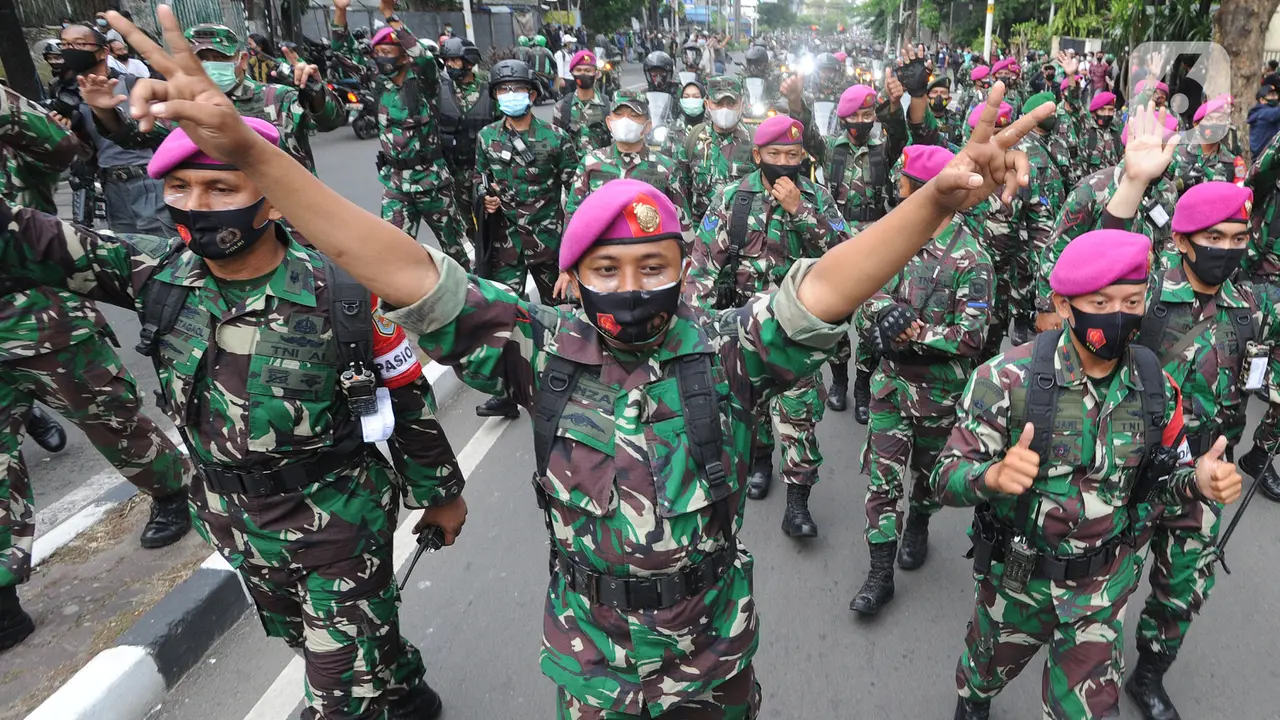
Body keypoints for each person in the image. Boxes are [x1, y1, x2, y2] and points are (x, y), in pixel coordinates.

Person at [102, 9, 1055, 712]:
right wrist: (256, 162)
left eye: (654, 264)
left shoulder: (726, 355)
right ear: (571, 279)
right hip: (589, 659)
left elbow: (829, 285)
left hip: (712, 656)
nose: (632, 282)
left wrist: (937, 204)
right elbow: (398, 265)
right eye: (607, 266)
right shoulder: (533, 351)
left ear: (686, 272)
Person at [1, 101, 469, 716]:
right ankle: (401, 686)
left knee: (339, 692)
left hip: (338, 519)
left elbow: (405, 400)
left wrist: (440, 492)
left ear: (274, 197)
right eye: (180, 187)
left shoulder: (344, 292)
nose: (196, 204)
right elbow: (32, 239)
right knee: (308, 640)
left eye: (222, 186)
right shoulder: (158, 276)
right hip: (233, 520)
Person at [932, 223, 1243, 720]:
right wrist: (990, 477)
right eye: (1100, 305)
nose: (1119, 317)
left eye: (1132, 301)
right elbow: (943, 477)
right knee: (982, 675)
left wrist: (1198, 480)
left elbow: (1163, 476)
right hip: (1018, 579)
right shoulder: (1005, 380)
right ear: (1062, 305)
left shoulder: (1157, 389)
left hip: (1101, 588)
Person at [0, 82, 192, 653]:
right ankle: (4, 595)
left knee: (115, 424)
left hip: (43, 320)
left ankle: (170, 490)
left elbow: (63, 148)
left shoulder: (14, 147)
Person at [1117, 179, 1279, 720]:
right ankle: (1080, 668)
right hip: (1133, 465)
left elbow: (1268, 370)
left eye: (1239, 238)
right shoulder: (1143, 294)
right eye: (1216, 237)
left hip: (1206, 471)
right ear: (1183, 241)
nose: (1230, 249)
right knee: (1101, 578)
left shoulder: (1251, 305)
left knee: (1184, 588)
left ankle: (1148, 675)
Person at [684, 115, 850, 535]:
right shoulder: (733, 199)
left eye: (791, 155)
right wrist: (695, 326)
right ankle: (760, 462)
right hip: (745, 330)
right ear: (757, 155)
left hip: (797, 329)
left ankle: (797, 503)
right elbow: (702, 264)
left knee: (799, 418)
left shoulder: (817, 197)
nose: (783, 162)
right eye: (774, 154)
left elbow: (847, 256)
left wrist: (801, 211)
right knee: (751, 410)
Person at [851, 144, 993, 614]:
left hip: (940, 395)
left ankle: (919, 526)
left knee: (930, 478)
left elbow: (971, 338)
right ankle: (879, 574)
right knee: (881, 480)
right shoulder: (892, 239)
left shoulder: (973, 260)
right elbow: (862, 289)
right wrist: (883, 310)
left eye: (903, 183)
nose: (897, 191)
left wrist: (915, 331)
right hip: (890, 387)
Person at [794, 64, 920, 423]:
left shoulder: (883, 149)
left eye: (869, 114)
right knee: (835, 314)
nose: (865, 121)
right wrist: (796, 101)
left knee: (870, 319)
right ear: (845, 119)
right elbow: (807, 136)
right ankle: (838, 381)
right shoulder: (831, 150)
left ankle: (863, 386)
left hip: (875, 241)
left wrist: (893, 107)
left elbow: (897, 132)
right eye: (858, 116)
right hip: (837, 242)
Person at [329, 0, 471, 272]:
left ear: (403, 55)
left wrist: (390, 16)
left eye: (387, 51)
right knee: (393, 252)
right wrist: (340, 11)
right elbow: (341, 54)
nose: (381, 57)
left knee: (455, 253)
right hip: (396, 186)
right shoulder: (378, 82)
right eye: (378, 52)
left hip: (433, 183)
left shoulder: (424, 83)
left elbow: (424, 57)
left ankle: (466, 302)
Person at [471, 59, 577, 419]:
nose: (510, 95)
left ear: (532, 94)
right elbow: (477, 179)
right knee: (502, 317)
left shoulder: (556, 139)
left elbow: (576, 191)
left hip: (548, 243)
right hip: (506, 245)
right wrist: (483, 199)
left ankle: (571, 383)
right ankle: (508, 392)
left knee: (560, 314)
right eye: (503, 89)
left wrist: (575, 250)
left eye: (517, 89)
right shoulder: (487, 138)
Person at [184, 24, 343, 174]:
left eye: (219, 59)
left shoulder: (279, 98)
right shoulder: (179, 110)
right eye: (199, 60)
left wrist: (313, 89)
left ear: (243, 60)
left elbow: (330, 121)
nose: (208, 66)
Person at [58, 22, 168, 234]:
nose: (70, 51)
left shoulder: (135, 85)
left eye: (79, 44)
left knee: (163, 247)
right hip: (111, 187)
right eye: (65, 45)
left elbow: (156, 136)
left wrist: (106, 113)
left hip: (148, 181)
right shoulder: (69, 95)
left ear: (103, 51)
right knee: (128, 252)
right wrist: (66, 135)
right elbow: (88, 152)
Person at [564, 89, 691, 230]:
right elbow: (573, 218)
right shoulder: (590, 163)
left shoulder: (667, 168)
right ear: (609, 122)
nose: (625, 120)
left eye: (634, 115)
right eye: (618, 115)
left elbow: (682, 224)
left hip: (648, 247)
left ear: (647, 126)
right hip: (603, 249)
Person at [674, 76, 755, 224]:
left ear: (742, 105)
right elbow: (682, 190)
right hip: (701, 233)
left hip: (743, 232)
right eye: (718, 103)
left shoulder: (755, 141)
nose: (724, 109)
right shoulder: (693, 138)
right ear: (707, 104)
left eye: (731, 103)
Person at [437, 36, 495, 240]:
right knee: (467, 223)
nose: (449, 65)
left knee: (494, 218)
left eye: (454, 60)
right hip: (456, 170)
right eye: (446, 61)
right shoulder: (440, 90)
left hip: (486, 170)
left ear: (469, 61)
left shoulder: (489, 91)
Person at [551, 49, 611, 157]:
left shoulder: (608, 107)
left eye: (588, 70)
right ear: (572, 74)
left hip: (601, 170)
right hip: (572, 171)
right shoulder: (562, 107)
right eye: (578, 70)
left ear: (596, 74)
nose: (583, 74)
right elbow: (556, 143)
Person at [1248, 84, 1280, 156]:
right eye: (1272, 95)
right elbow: (1275, 113)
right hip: (1262, 160)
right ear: (1262, 100)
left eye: (1276, 95)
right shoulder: (1261, 113)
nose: (1275, 97)